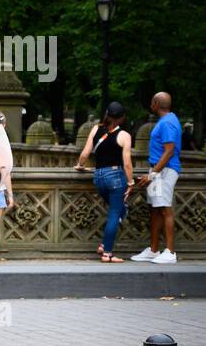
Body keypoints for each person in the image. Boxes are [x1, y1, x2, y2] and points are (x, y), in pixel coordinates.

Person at [75, 101, 134, 262]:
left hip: (99, 177)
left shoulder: (95, 129)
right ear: (122, 118)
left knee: (120, 209)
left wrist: (80, 165)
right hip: (115, 176)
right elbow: (127, 163)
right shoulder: (124, 136)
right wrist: (131, 182)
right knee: (115, 213)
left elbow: (85, 153)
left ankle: (104, 244)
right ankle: (107, 253)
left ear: (107, 115)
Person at [131, 92, 181, 264]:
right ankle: (153, 250)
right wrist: (152, 172)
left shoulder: (168, 122)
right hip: (157, 171)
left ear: (155, 104)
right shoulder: (167, 120)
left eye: (151, 101)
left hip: (165, 171)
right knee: (155, 208)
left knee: (165, 209)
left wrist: (152, 174)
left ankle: (170, 252)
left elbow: (169, 151)